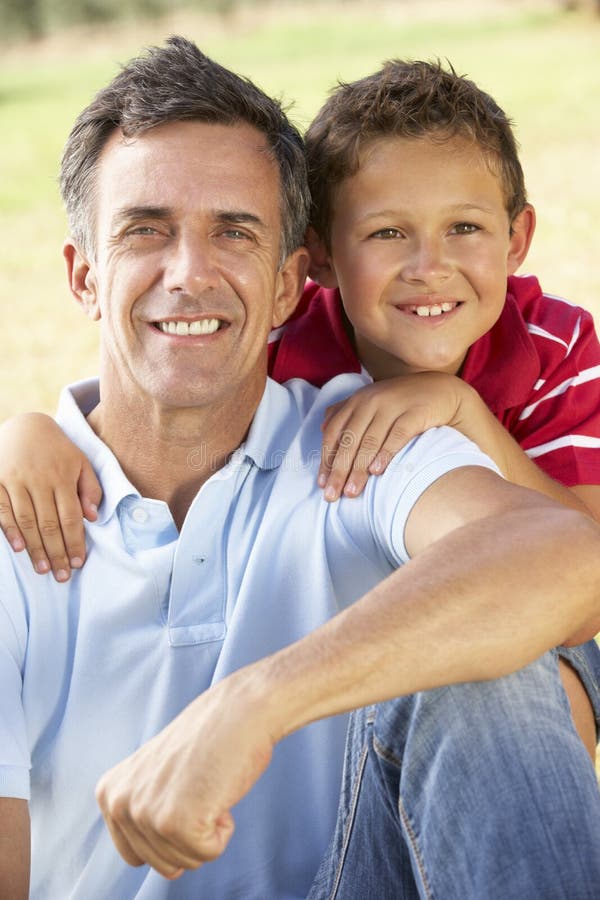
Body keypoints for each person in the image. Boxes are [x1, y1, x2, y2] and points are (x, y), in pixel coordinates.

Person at [1, 40, 600, 899]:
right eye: (145, 229)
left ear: (288, 283)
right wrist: (26, 429)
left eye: (234, 232)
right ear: (84, 275)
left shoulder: (365, 435)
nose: (191, 273)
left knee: (498, 663)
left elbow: (573, 557)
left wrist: (254, 704)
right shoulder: (23, 507)